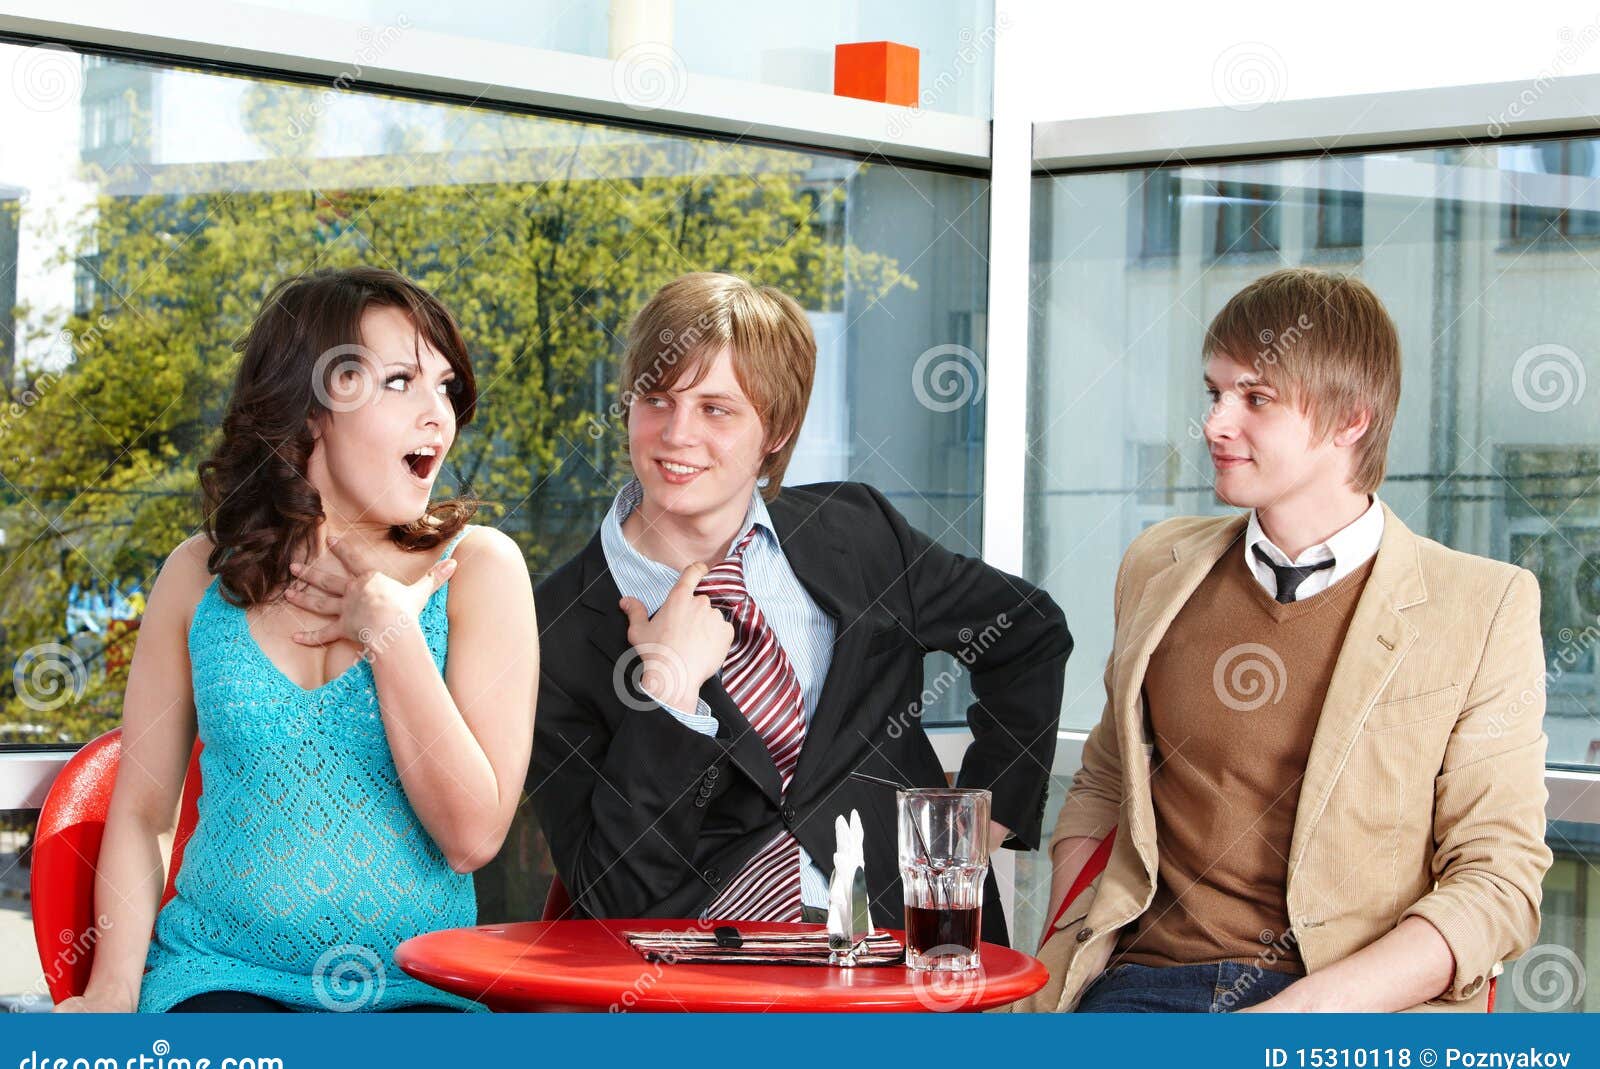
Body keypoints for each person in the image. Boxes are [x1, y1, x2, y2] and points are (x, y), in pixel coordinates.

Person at [1022, 267, 1551, 1013]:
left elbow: (1496, 880)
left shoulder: (1482, 604)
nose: (1215, 423)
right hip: (1139, 987)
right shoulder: (1157, 566)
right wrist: (1069, 930)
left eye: (1255, 398)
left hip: (1347, 1004)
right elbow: (1105, 781)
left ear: (1350, 420)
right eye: (1215, 392)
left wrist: (1291, 1019)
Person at [529, 272, 1071, 944]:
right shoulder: (554, 626)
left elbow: (1028, 630)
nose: (676, 433)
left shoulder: (857, 531)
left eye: (716, 409)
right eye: (657, 399)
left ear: (776, 428)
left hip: (909, 952)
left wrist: (987, 817)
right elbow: (614, 896)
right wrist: (668, 697)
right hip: (710, 983)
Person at [54, 267, 538, 1013]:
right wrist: (110, 988)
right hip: (217, 979)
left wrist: (390, 635)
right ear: (312, 410)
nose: (439, 413)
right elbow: (144, 811)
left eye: (446, 386)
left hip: (417, 993)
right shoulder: (195, 574)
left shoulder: (479, 569)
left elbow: (472, 836)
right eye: (402, 381)